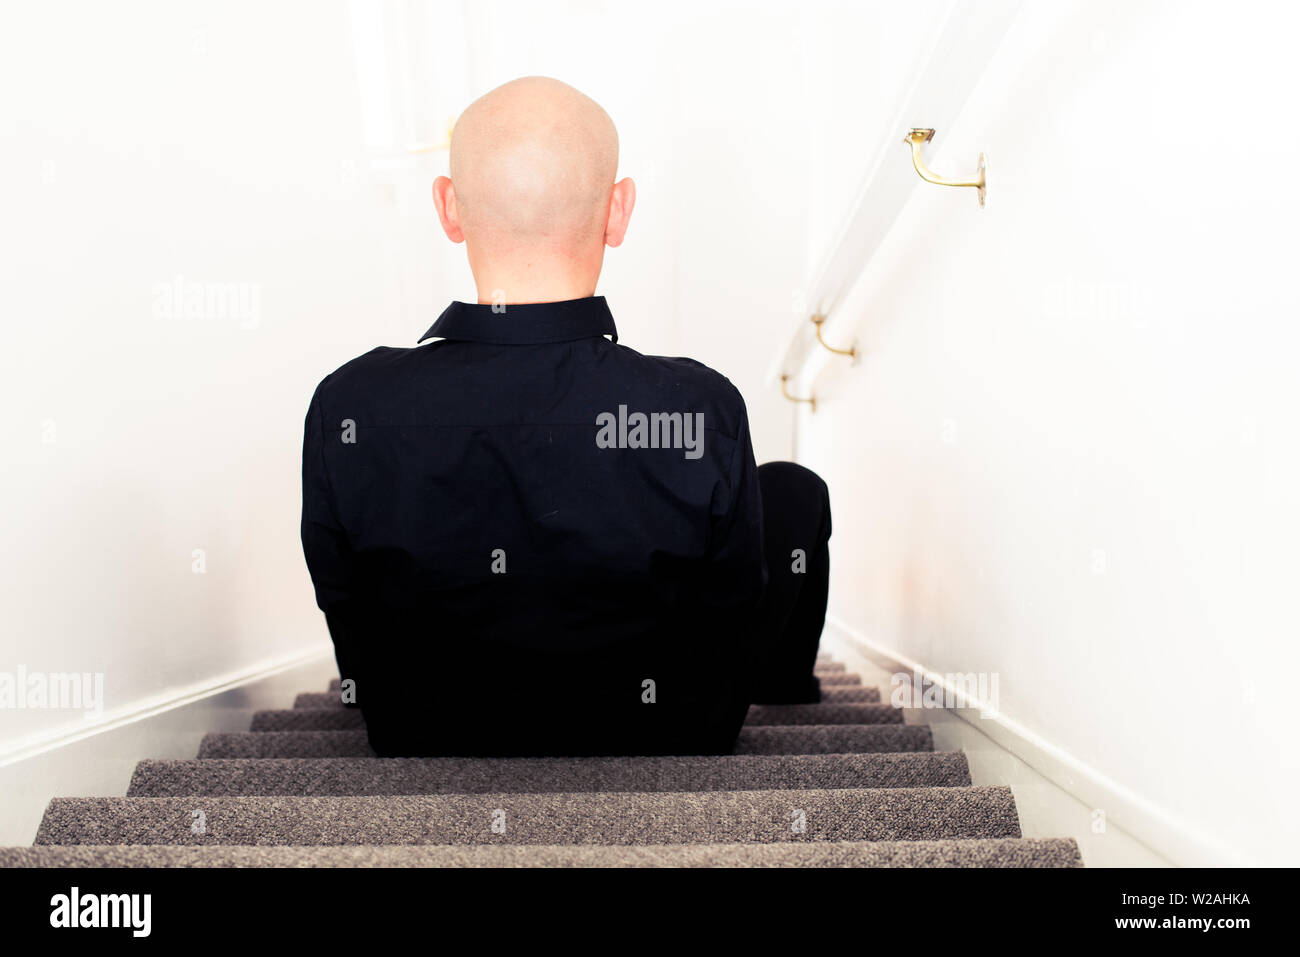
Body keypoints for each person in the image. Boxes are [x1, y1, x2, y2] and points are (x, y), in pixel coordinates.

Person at [300, 76, 830, 757]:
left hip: (424, 729)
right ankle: (788, 692)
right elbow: (730, 607)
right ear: (619, 212)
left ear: (447, 208)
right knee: (794, 492)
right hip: (670, 731)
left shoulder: (348, 403)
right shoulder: (700, 406)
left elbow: (350, 615)